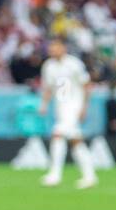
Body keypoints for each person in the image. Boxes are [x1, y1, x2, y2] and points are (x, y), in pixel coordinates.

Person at [39, 38, 97, 189]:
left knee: (57, 134)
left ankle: (55, 174)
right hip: (61, 107)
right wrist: (44, 105)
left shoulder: (74, 64)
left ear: (63, 48)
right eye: (51, 47)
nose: (52, 50)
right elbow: (48, 88)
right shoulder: (49, 66)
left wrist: (84, 107)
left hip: (74, 106)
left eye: (55, 47)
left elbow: (86, 85)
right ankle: (89, 176)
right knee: (75, 140)